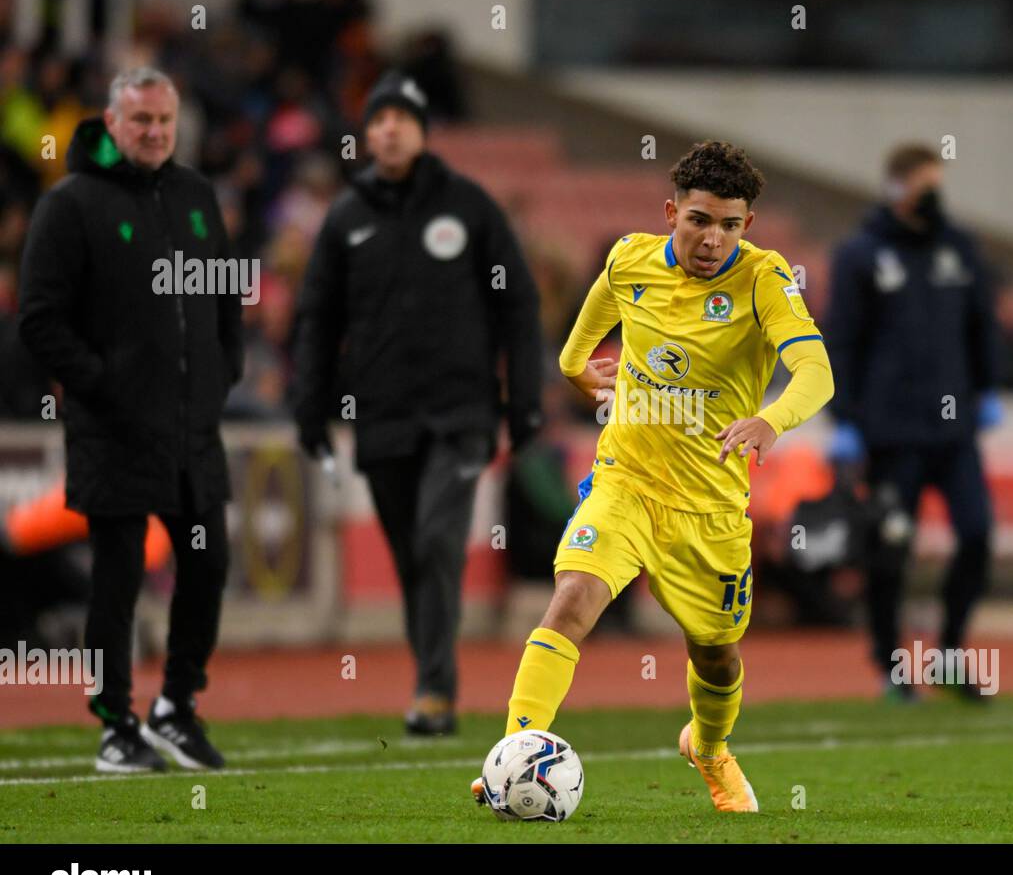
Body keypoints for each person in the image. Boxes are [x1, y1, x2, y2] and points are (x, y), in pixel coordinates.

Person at [470, 140, 834, 814]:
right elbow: (588, 327)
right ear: (672, 212)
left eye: (729, 224)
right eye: (699, 220)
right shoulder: (630, 259)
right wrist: (578, 368)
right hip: (626, 481)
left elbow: (816, 371)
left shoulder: (763, 278)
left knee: (716, 654)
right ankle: (515, 754)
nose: (712, 238)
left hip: (711, 508)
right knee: (573, 598)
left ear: (746, 226)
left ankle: (710, 746)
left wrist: (772, 420)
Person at [290, 71, 543, 735]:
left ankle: (435, 690)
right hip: (381, 417)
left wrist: (524, 402)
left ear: (424, 131)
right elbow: (317, 317)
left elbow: (518, 303)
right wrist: (309, 408)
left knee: (436, 537)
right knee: (412, 555)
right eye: (377, 120)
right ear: (366, 134)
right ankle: (432, 678)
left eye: (402, 118)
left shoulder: (469, 207)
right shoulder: (346, 217)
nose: (389, 129)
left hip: (461, 414)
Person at [19, 67, 243, 772]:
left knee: (207, 563)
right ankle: (116, 723)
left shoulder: (197, 197)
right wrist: (102, 385)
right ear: (112, 122)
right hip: (113, 431)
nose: (153, 133)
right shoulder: (72, 204)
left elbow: (225, 300)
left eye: (164, 122)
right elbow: (39, 319)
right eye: (140, 120)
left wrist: (221, 374)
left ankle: (177, 705)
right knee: (115, 579)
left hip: (191, 430)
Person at [825, 143, 1000, 702]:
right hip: (890, 430)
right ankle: (891, 666)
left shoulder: (960, 248)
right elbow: (842, 340)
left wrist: (988, 386)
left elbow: (982, 326)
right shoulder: (861, 254)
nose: (935, 199)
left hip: (954, 431)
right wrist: (845, 419)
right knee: (891, 551)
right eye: (926, 187)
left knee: (976, 533)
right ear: (897, 187)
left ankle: (949, 651)